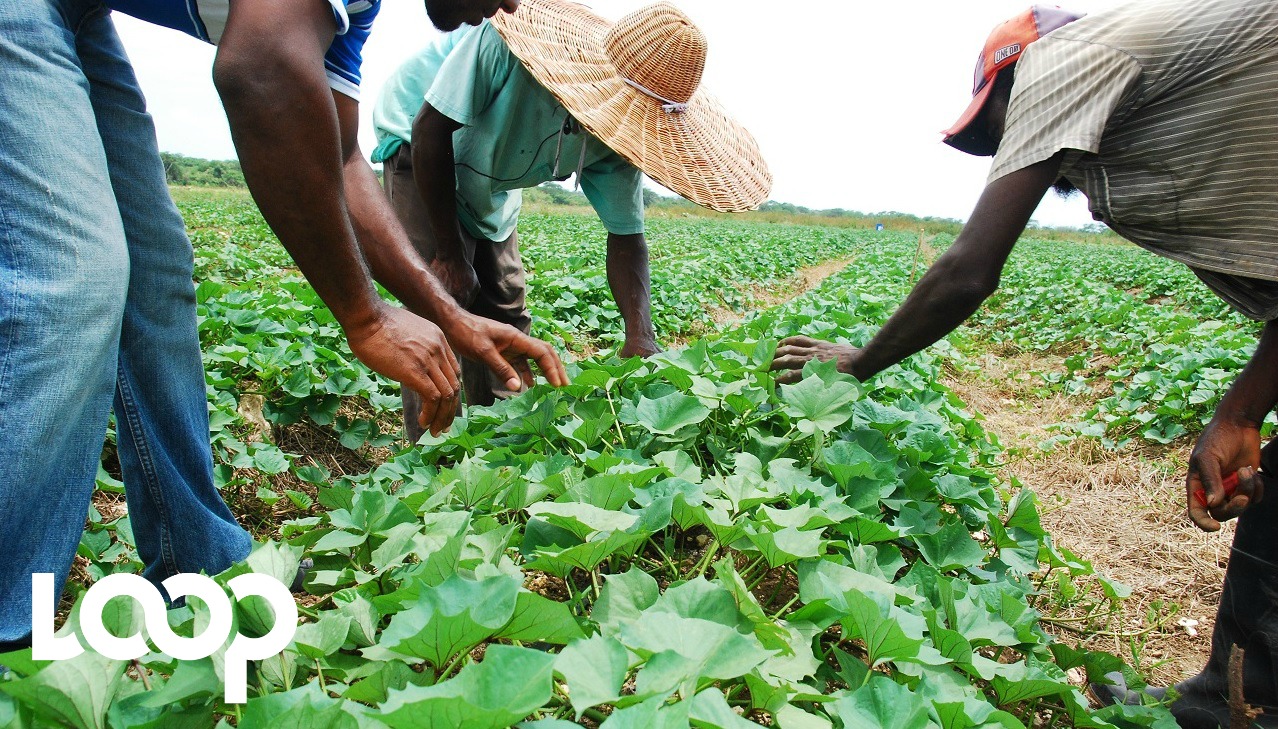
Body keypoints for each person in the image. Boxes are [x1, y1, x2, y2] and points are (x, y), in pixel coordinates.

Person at [0, 0, 570, 654]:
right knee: (75, 271)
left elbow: (342, 159)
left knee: (155, 275)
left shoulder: (354, 11)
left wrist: (451, 316)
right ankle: (10, 619)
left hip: (73, 15)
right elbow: (258, 69)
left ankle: (196, 559)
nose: (510, 5)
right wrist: (367, 316)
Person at [769, 2, 1278, 726]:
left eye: (998, 128)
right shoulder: (1192, 109)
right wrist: (1240, 411)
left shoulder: (1055, 63)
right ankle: (1239, 700)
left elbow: (969, 270)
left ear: (1012, 87)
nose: (1014, 149)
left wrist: (859, 363)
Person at [370, 0, 771, 441]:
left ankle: (497, 442)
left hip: (493, 178)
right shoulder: (510, 45)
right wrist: (449, 253)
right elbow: (430, 129)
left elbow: (627, 239)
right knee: (441, 300)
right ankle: (433, 456)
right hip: (422, 145)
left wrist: (641, 333)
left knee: (505, 304)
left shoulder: (619, 142)